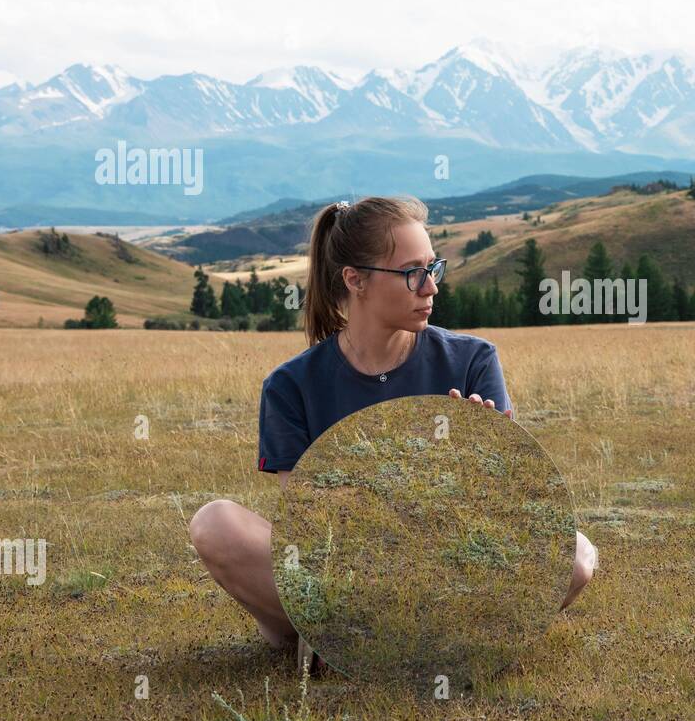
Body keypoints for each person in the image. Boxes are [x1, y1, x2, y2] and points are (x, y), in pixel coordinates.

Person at [189, 196, 597, 672]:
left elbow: (498, 518)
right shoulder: (291, 385)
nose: (430, 288)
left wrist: (477, 459)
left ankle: (355, 638)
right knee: (215, 523)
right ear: (354, 279)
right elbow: (310, 522)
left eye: (433, 268)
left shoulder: (473, 361)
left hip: (446, 565)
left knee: (576, 555)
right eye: (411, 273)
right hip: (342, 570)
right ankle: (366, 632)